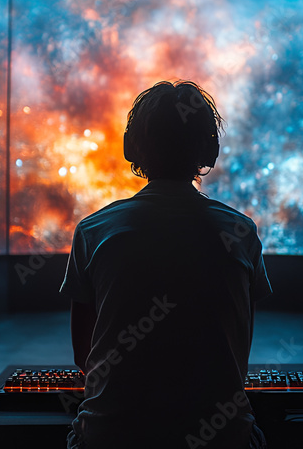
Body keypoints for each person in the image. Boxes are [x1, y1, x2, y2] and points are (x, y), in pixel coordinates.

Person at [60, 81, 272, 449]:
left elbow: (85, 356)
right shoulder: (241, 232)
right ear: (209, 149)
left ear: (131, 147)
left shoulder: (93, 231)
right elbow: (238, 349)